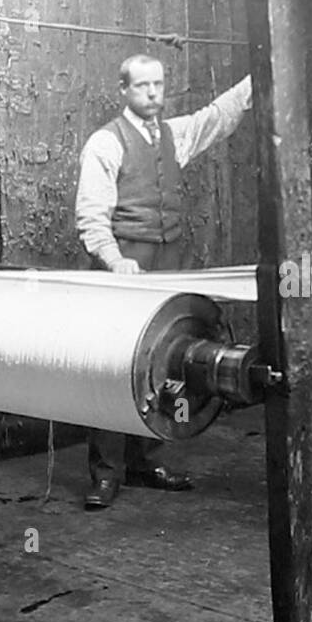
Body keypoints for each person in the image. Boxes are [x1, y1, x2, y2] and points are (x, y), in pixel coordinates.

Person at [74, 53, 252, 510]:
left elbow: (218, 116)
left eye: (158, 84)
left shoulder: (176, 134)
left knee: (163, 365)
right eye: (142, 86)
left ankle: (144, 461)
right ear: (123, 91)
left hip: (167, 261)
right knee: (113, 367)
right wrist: (115, 261)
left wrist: (260, 76)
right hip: (124, 263)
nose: (153, 93)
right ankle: (106, 473)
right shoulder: (105, 143)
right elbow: (91, 215)